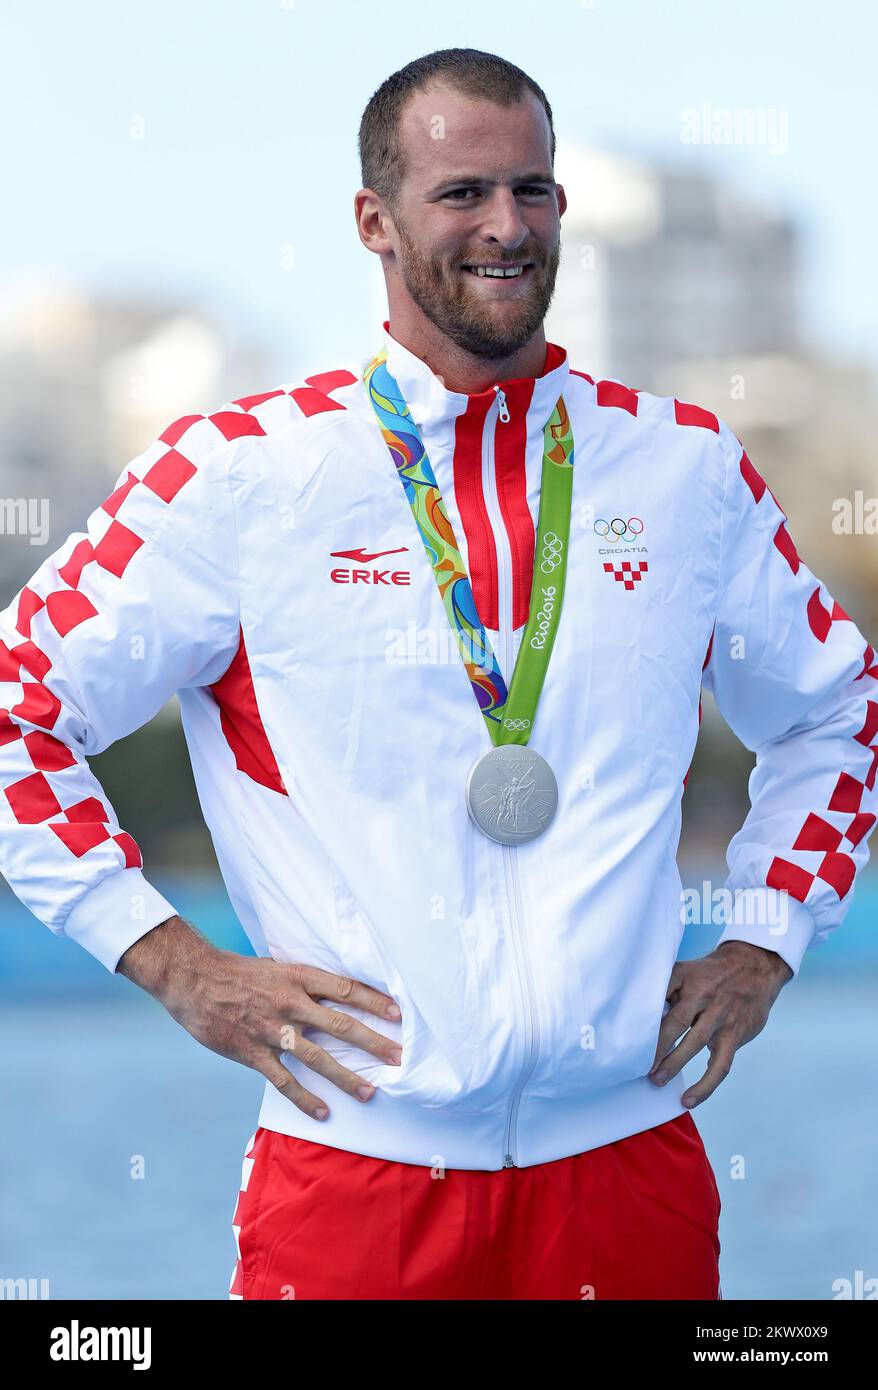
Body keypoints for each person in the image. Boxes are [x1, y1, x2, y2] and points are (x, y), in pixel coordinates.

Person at [1, 47, 876, 1302]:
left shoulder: (682, 470)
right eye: (461, 193)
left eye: (531, 189)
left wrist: (765, 935)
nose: (505, 228)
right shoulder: (241, 474)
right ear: (374, 221)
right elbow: (17, 707)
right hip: (355, 1181)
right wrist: (171, 961)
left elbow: (837, 709)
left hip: (626, 1175)